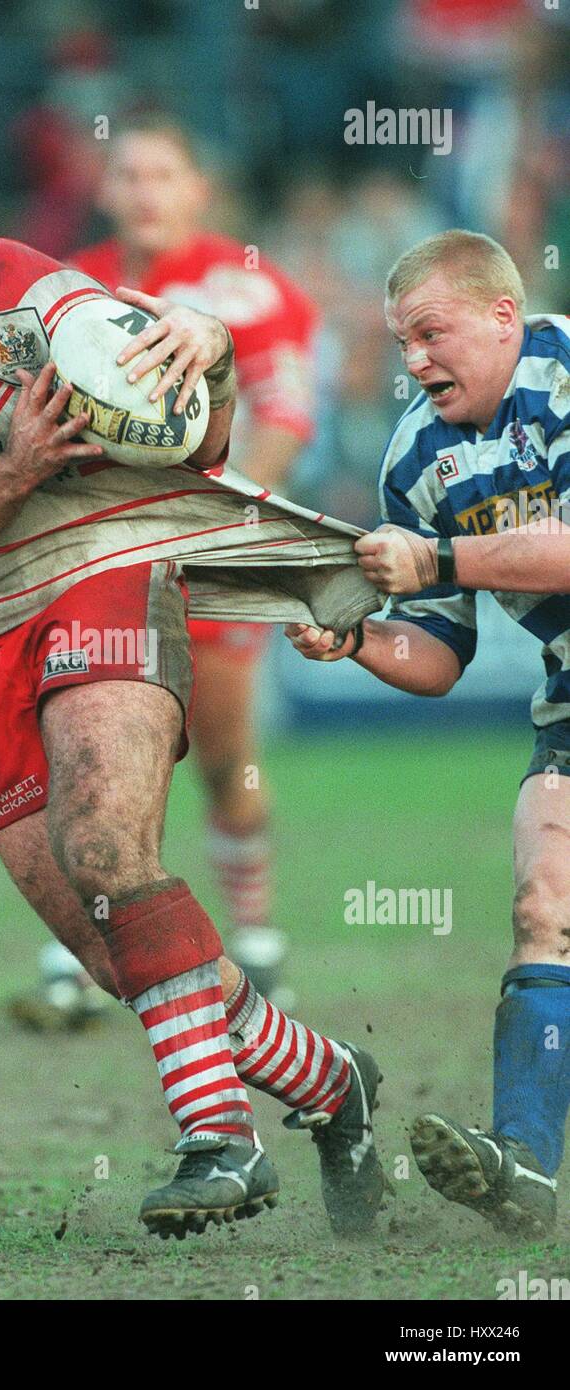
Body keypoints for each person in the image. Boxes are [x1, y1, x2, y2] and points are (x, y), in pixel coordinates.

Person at [0, 121, 386, 1240]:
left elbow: (189, 425)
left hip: (105, 570)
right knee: (110, 949)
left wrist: (200, 348)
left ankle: (218, 1139)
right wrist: (4, 478)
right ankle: (336, 1087)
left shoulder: (16, 283)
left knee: (108, 852)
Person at [286, 228, 569, 1237]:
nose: (413, 362)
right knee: (544, 903)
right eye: (401, 342)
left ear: (506, 316)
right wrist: (358, 636)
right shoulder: (418, 452)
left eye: (432, 334)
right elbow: (440, 658)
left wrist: (440, 561)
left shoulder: (567, 371)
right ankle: (526, 1167)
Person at [63, 117, 318, 1015]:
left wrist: (224, 511)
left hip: (214, 558)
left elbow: (286, 415)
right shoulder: (74, 291)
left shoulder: (247, 289)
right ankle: (90, 948)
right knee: (96, 755)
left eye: (162, 172)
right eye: (128, 172)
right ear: (105, 188)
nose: (144, 190)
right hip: (105, 562)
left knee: (223, 756)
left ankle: (253, 936)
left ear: (197, 188)